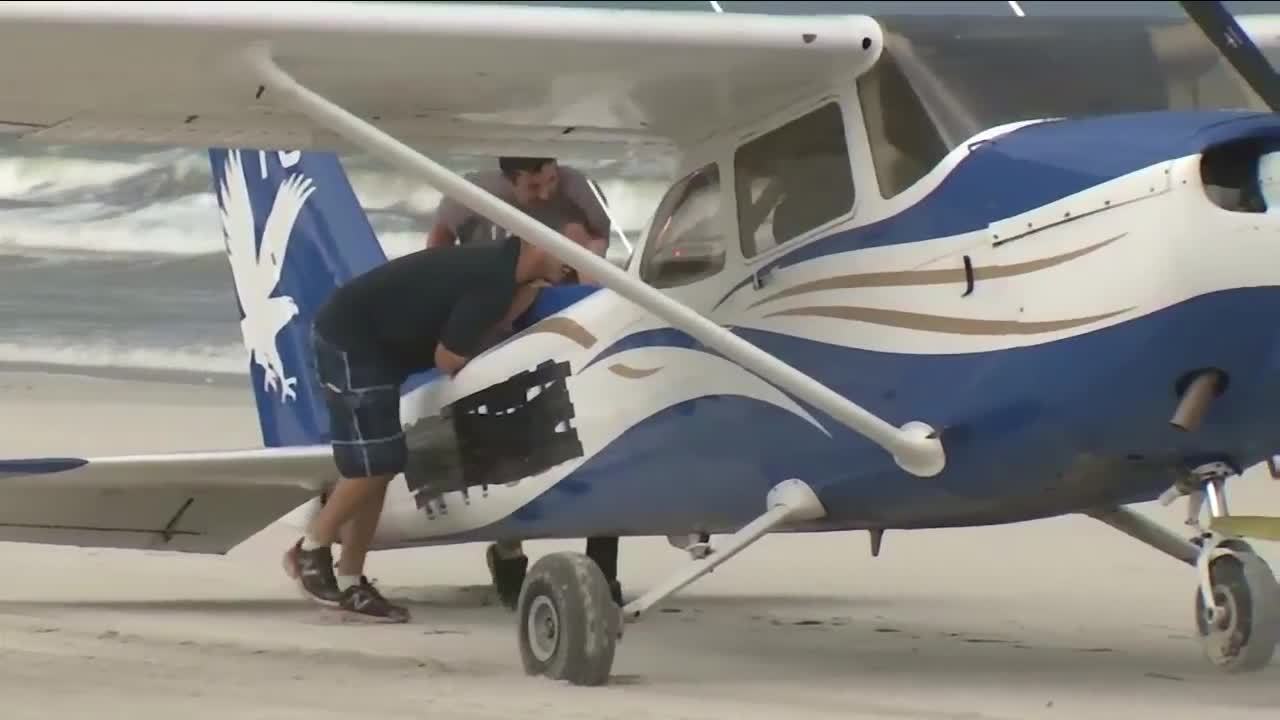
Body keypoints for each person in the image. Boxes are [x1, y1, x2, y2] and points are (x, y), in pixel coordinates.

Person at [282, 230, 570, 623]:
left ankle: (350, 581)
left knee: (373, 467)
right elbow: (449, 358)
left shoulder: (501, 269)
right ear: (538, 243)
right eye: (565, 253)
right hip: (352, 341)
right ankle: (310, 550)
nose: (572, 263)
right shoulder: (493, 279)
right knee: (379, 462)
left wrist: (521, 299)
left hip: (366, 341)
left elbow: (471, 322)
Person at [426, 157, 624, 609]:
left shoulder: (577, 187)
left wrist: (582, 257)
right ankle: (509, 551)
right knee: (506, 432)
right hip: (495, 309)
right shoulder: (471, 192)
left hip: (561, 302)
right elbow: (438, 242)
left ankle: (604, 572)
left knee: (601, 429)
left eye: (550, 181)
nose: (544, 195)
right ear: (509, 181)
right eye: (533, 187)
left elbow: (599, 237)